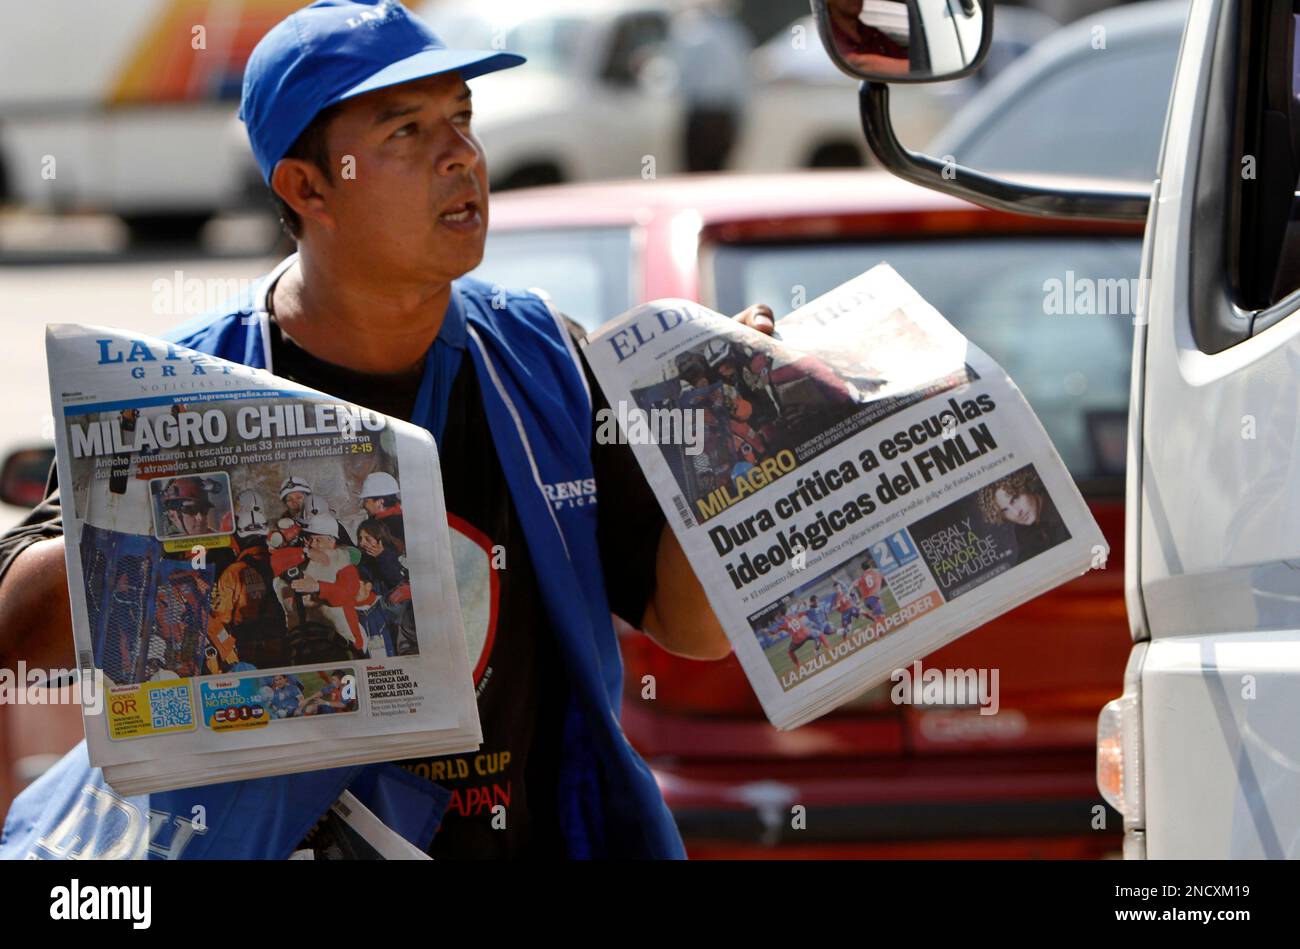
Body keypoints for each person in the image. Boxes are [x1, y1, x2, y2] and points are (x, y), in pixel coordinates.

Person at [0, 0, 774, 861]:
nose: (461, 156)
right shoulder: (181, 385)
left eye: (462, 120)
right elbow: (16, 632)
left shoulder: (546, 358)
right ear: (306, 187)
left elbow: (690, 626)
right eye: (406, 130)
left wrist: (725, 460)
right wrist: (165, 528)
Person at [977, 468, 1071, 565]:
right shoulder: (1022, 532)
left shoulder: (1061, 505)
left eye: (1014, 499)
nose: (1016, 513)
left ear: (1026, 486)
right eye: (1005, 510)